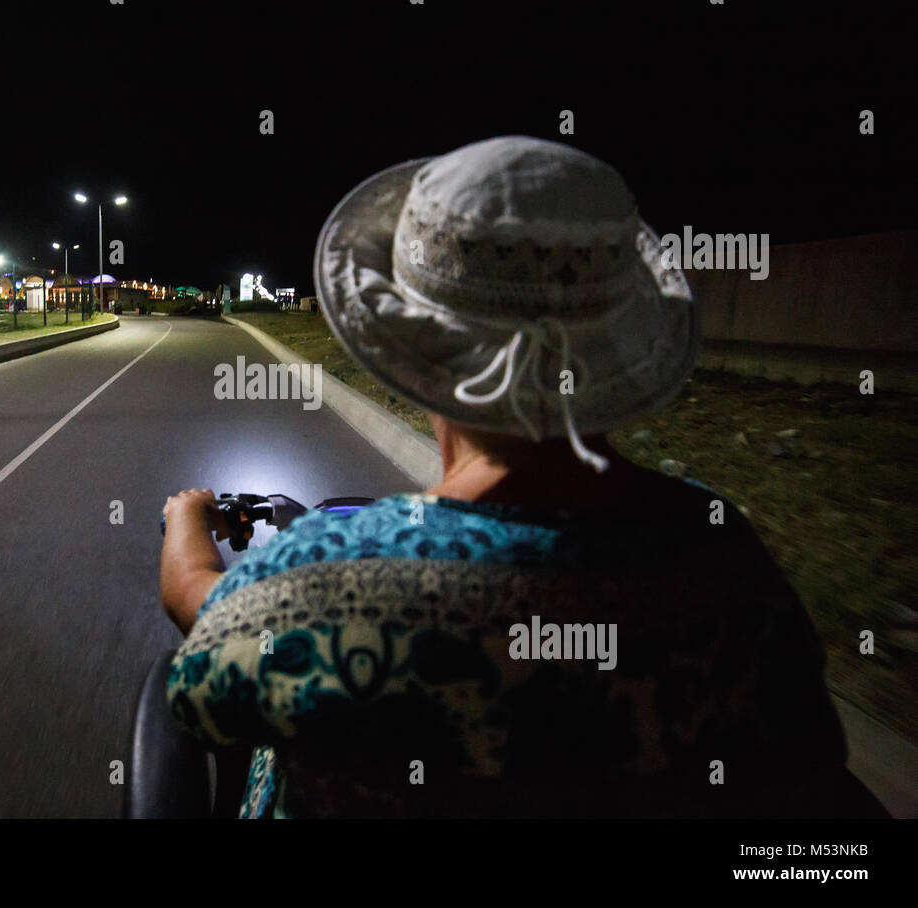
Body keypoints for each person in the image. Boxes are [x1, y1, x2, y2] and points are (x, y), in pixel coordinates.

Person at [159, 136, 886, 818]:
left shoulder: (318, 578)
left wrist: (188, 524)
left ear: (415, 351)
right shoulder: (729, 565)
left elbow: (205, 655)